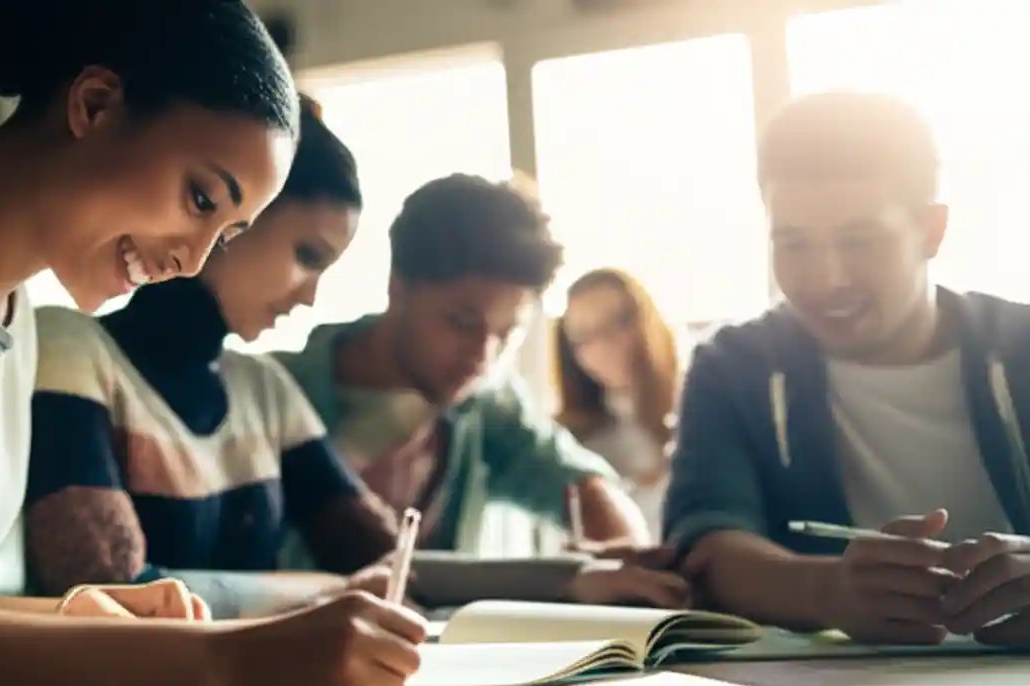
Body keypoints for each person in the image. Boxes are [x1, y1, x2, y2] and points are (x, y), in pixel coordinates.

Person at [0, 2, 424, 686]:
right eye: (200, 198)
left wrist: (74, 622)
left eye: (225, 235)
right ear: (95, 104)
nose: (190, 260)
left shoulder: (20, 324)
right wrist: (219, 664)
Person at [665, 91, 1030, 647]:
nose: (826, 278)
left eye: (859, 242)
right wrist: (827, 592)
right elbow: (708, 543)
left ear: (931, 231)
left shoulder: (1022, 346)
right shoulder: (733, 368)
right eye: (794, 245)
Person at [25, 98, 402, 619]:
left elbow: (387, 563)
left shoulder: (262, 387)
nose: (310, 297)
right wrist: (325, 592)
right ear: (243, 215)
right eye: (306, 256)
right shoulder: (69, 347)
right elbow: (110, 590)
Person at [279, 174, 690, 609]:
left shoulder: (487, 404)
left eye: (506, 333)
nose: (482, 354)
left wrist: (626, 563)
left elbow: (581, 483)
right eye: (461, 321)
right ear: (397, 287)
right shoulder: (279, 393)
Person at [556, 268, 679, 537]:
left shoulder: (698, 410)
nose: (603, 344)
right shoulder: (571, 443)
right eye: (583, 336)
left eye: (618, 323)